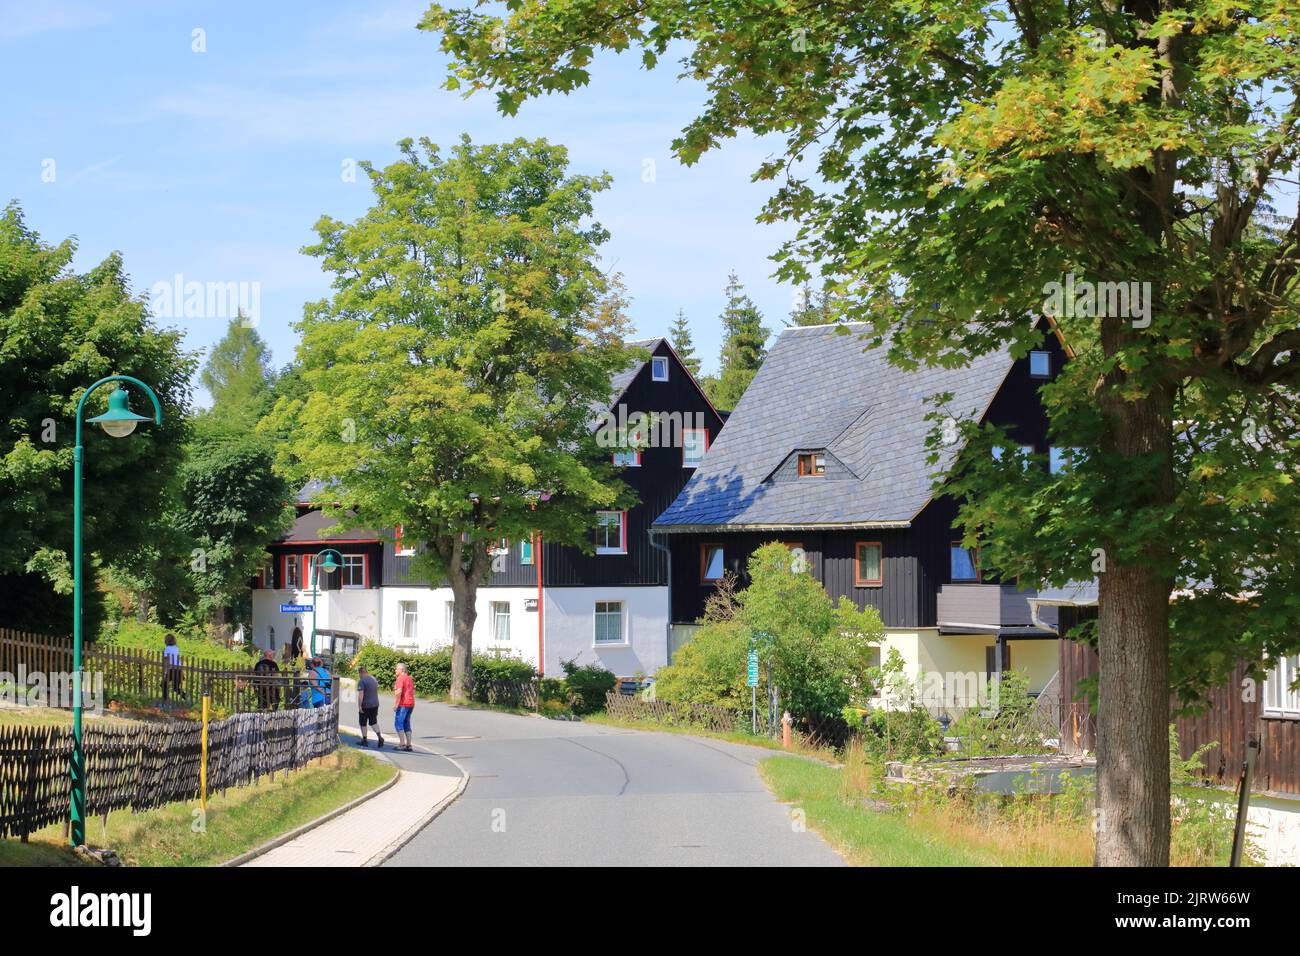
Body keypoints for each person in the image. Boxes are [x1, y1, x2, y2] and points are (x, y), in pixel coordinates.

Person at [355, 665, 384, 749]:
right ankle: (380, 737)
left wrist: (360, 706)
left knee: (363, 722)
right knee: (373, 722)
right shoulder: (373, 679)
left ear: (361, 673)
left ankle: (364, 740)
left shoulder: (362, 681)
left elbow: (361, 695)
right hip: (375, 704)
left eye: (359, 674)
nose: (359, 676)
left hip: (366, 705)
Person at [393, 662, 415, 752]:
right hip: (411, 703)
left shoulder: (400, 678)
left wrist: (395, 703)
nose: (395, 670)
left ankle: (402, 743)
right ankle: (409, 744)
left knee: (398, 723)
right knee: (407, 723)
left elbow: (399, 691)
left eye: (396, 669)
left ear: (401, 670)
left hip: (403, 704)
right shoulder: (409, 678)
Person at [161, 633, 184, 702]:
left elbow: (166, 660)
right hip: (179, 669)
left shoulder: (167, 649)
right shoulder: (176, 648)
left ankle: (165, 700)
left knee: (163, 684)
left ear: (166, 641)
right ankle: (186, 696)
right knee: (176, 688)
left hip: (171, 669)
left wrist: (165, 671)